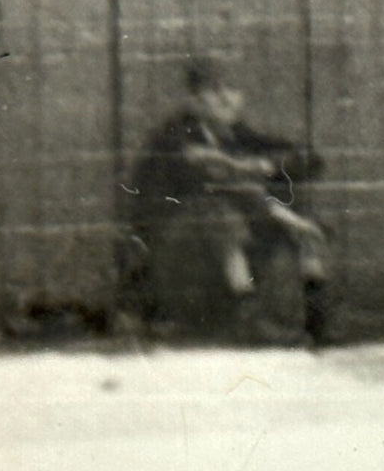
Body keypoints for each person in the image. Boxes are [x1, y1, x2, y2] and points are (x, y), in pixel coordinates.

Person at [121, 57, 329, 343]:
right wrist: (255, 177)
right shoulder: (175, 136)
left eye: (232, 90)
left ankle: (314, 313)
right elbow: (220, 183)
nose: (226, 99)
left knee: (295, 208)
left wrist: (267, 166)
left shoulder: (234, 134)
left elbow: (308, 160)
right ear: (193, 100)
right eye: (214, 90)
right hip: (170, 258)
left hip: (215, 259)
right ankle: (248, 317)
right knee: (215, 211)